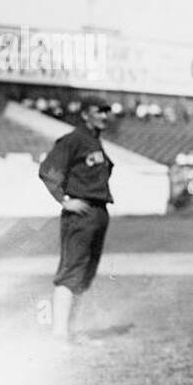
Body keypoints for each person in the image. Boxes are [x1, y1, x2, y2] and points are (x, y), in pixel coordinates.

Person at [38, 95, 115, 341]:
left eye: (106, 111)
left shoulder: (93, 142)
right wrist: (64, 199)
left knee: (84, 275)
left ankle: (69, 331)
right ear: (85, 114)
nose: (104, 115)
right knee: (72, 272)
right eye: (98, 111)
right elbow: (47, 170)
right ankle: (59, 333)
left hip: (97, 212)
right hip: (81, 213)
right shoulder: (74, 139)